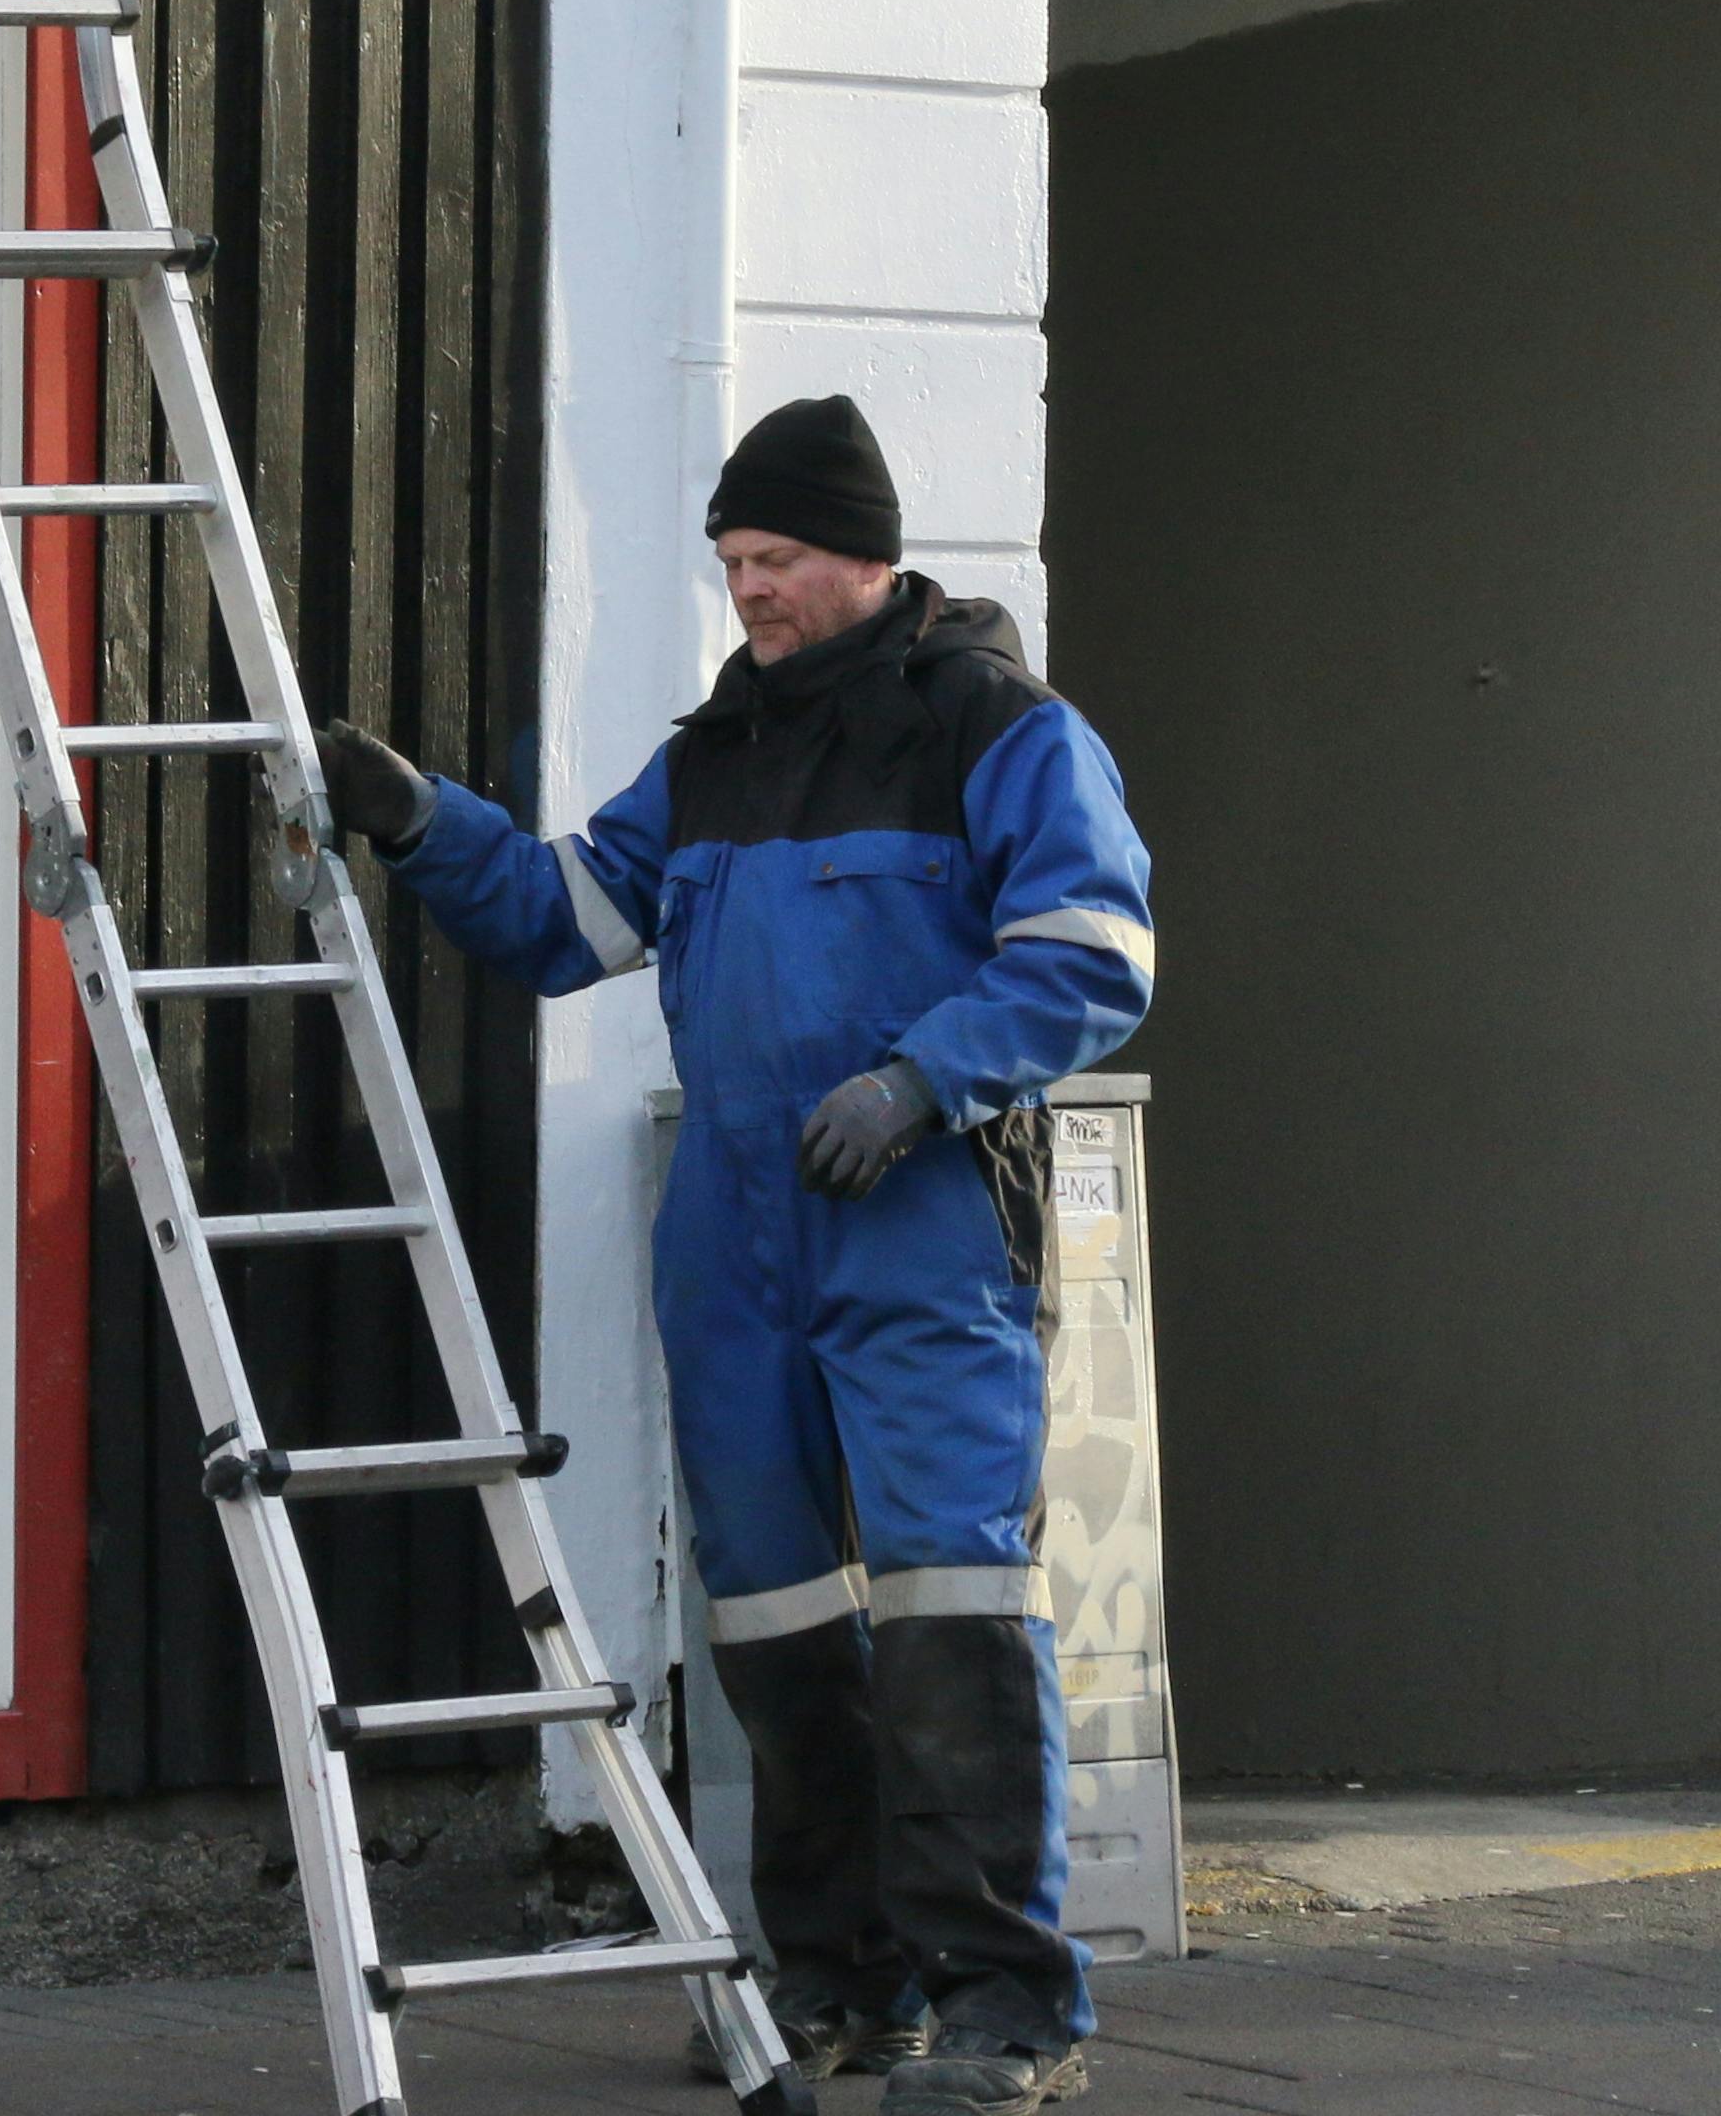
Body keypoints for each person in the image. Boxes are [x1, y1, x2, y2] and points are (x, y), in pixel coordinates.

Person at [318, 397, 1151, 2116]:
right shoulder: (713, 752)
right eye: (729, 561)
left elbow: (1091, 946)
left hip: (913, 1210)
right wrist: (411, 817)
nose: (746, 591)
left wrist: (920, 1076)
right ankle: (841, 1980)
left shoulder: (996, 725)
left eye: (769, 559)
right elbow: (564, 915)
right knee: (770, 1621)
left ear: (864, 550)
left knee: (949, 1605)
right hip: (735, 1225)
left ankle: (1009, 2003)